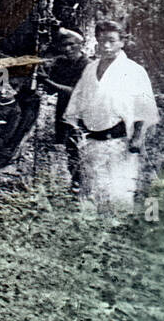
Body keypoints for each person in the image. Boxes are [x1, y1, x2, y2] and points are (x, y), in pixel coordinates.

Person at [64, 20, 159, 213]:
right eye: (101, 40)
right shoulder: (90, 68)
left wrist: (138, 137)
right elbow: (78, 99)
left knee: (118, 188)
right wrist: (75, 126)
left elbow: (144, 106)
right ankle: (91, 228)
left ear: (122, 42)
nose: (106, 45)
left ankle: (117, 227)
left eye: (111, 40)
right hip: (91, 137)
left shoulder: (133, 70)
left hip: (119, 139)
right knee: (91, 186)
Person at [38, 28, 89, 193]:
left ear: (81, 45)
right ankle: (75, 184)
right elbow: (51, 91)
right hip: (64, 111)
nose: (67, 49)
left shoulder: (87, 65)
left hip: (83, 113)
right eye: (64, 45)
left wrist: (48, 82)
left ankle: (84, 184)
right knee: (69, 148)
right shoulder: (61, 64)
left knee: (82, 147)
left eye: (71, 44)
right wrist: (42, 72)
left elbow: (76, 92)